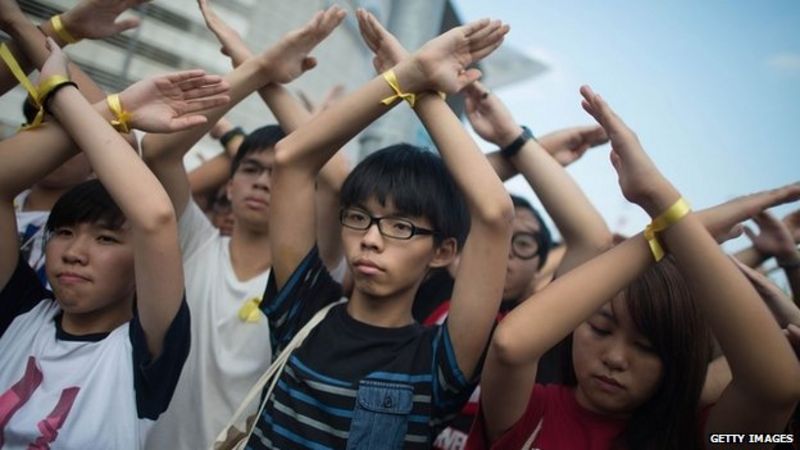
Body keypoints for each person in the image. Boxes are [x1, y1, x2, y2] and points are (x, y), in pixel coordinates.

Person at [466, 85, 800, 449]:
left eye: (647, 347)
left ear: (683, 355)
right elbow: (511, 345)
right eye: (600, 328)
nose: (615, 359)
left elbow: (776, 389)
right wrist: (669, 220)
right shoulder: (532, 410)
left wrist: (667, 211)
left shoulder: (695, 435)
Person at [239, 16, 511, 449]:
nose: (370, 238)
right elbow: (291, 158)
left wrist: (424, 93)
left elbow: (495, 213)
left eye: (401, 226)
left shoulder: (438, 360)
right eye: (359, 218)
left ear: (442, 251)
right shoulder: (304, 311)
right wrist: (407, 75)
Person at [0, 38, 229, 448]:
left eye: (105, 238)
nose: (74, 252)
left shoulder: (141, 354)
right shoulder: (20, 315)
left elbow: (155, 217)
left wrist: (60, 91)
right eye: (64, 232)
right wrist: (114, 110)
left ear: (142, 263)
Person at [142, 6, 348, 450]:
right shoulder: (192, 242)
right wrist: (257, 68)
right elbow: (158, 153)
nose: (262, 181)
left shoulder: (309, 275)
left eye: (281, 174)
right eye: (251, 169)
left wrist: (264, 74)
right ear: (229, 183)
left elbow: (335, 179)